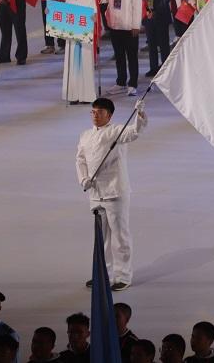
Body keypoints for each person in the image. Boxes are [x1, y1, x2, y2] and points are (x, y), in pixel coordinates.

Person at [76, 97, 147, 291]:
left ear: (109, 115)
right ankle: (102, 275)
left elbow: (134, 132)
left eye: (99, 112)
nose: (95, 115)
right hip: (95, 193)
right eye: (93, 112)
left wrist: (139, 115)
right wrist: (84, 179)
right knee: (102, 238)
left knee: (120, 236)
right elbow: (80, 159)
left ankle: (123, 276)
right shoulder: (85, 135)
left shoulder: (117, 131)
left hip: (115, 192)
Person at [101, 0, 142, 96]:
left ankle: (133, 84)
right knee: (118, 55)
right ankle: (121, 82)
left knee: (131, 55)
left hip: (129, 25)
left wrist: (136, 25)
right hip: (114, 23)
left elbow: (137, 4)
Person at [62, 0, 98, 104]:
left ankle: (86, 95)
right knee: (72, 65)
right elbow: (65, 15)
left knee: (84, 65)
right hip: (72, 37)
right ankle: (73, 95)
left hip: (84, 37)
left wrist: (93, 18)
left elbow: (93, 17)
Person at [141, 0, 174, 77]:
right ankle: (153, 68)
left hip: (161, 16)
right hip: (148, 17)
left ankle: (165, 70)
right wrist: (147, 10)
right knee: (152, 44)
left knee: (164, 44)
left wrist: (156, 10)